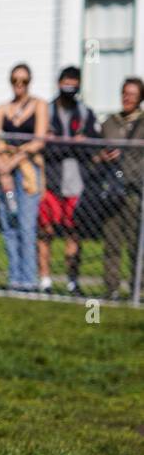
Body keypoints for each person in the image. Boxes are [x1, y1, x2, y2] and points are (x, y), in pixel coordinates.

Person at [0, 63, 47, 292]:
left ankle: (29, 278)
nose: (19, 86)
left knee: (26, 224)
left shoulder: (39, 105)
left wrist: (15, 159)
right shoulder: (3, 109)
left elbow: (39, 140)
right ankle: (14, 277)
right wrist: (2, 168)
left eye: (23, 81)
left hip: (28, 171)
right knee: (8, 223)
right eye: (15, 81)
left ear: (29, 82)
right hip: (5, 171)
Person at [40, 66, 98, 294]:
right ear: (58, 83)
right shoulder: (47, 110)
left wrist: (68, 142)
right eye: (66, 82)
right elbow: (44, 142)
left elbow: (93, 142)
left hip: (76, 182)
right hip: (51, 180)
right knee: (46, 231)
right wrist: (69, 143)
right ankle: (45, 281)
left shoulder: (85, 113)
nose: (69, 87)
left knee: (74, 232)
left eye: (74, 83)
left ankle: (72, 281)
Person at [93, 77, 144, 300]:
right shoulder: (108, 123)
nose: (127, 98)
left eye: (132, 94)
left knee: (136, 243)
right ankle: (111, 289)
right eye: (125, 93)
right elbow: (93, 155)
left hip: (136, 190)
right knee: (112, 242)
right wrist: (102, 156)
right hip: (113, 189)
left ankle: (138, 288)